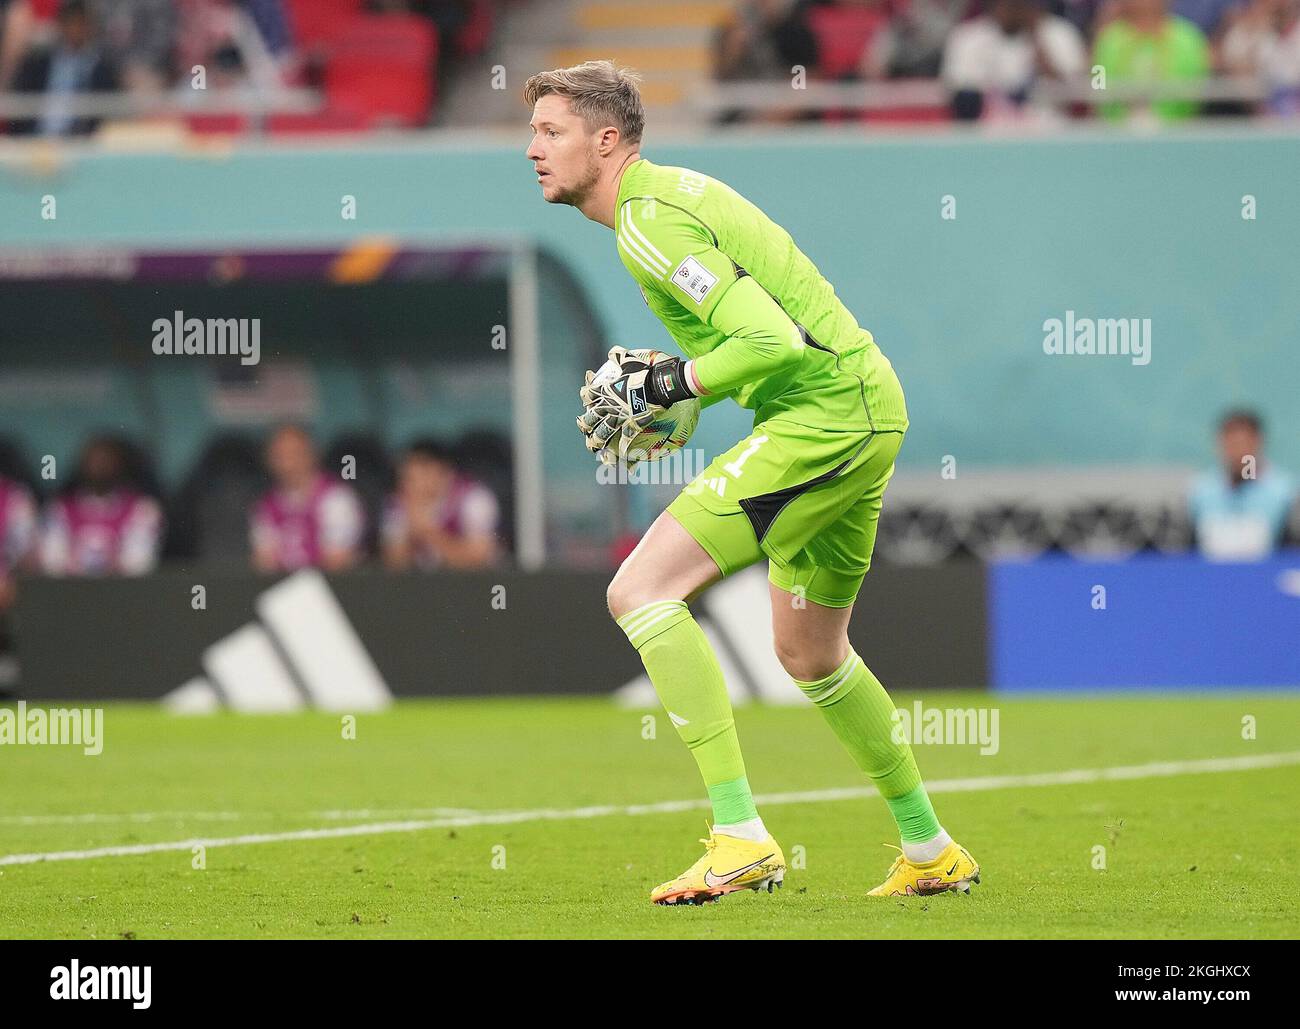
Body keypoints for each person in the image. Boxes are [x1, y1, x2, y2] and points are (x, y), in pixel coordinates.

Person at [524, 60, 978, 905]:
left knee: (640, 590)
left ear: (606, 139)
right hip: (861, 407)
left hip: (825, 417)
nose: (533, 149)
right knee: (810, 651)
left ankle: (740, 838)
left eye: (551, 131)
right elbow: (759, 337)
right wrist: (686, 404)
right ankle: (930, 847)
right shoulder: (667, 199)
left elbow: (771, 340)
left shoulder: (646, 220)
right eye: (534, 132)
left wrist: (670, 383)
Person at [941, 0, 1087, 120]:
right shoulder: (967, 37)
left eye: (1019, 4)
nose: (1013, 9)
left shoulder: (1060, 33)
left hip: (1051, 132)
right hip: (987, 134)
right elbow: (962, 96)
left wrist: (1036, 37)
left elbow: (1077, 97)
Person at [39, 436, 162, 576]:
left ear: (120, 465)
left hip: (122, 587)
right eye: (94, 460)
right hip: (70, 587)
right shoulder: (59, 508)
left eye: (106, 460)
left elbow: (138, 563)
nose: (99, 466)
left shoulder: (143, 508)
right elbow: (52, 563)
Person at [250, 424, 365, 573]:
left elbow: (337, 561)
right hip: (283, 586)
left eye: (294, 454)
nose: (287, 463)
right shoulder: (266, 505)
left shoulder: (336, 498)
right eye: (280, 456)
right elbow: (264, 563)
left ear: (311, 455)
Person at [1189, 409, 1296, 560]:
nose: (1238, 453)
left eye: (1243, 444)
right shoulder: (1201, 490)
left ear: (1258, 442)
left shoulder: (1283, 492)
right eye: (1231, 444)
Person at [381, 439, 500, 570]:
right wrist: (409, 533)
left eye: (414, 478)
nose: (408, 486)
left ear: (441, 472)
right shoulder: (398, 503)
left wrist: (428, 532)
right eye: (405, 478)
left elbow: (478, 559)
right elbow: (394, 564)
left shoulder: (474, 498)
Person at [1093, 0, 1212, 122]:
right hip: (1118, 127)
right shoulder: (1109, 40)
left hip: (1178, 126)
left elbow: (1199, 88)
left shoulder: (1188, 39)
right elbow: (1098, 86)